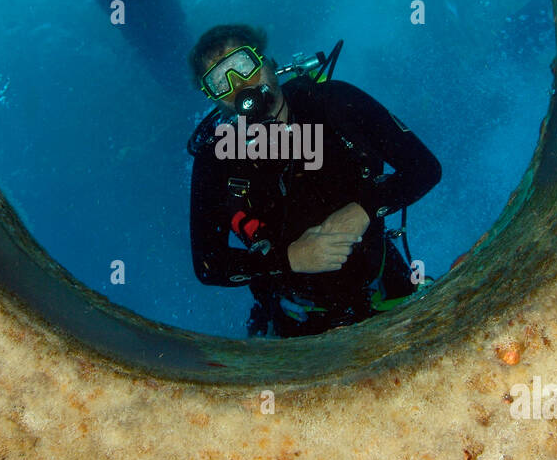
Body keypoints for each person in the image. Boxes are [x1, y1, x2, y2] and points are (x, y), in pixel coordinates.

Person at [187, 24, 442, 338]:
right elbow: (208, 265)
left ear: (266, 62)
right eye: (219, 82)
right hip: (296, 317)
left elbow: (424, 168)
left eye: (242, 65)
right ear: (215, 99)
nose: (239, 84)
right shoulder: (216, 159)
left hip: (384, 284)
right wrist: (291, 258)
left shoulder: (334, 102)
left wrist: (363, 210)